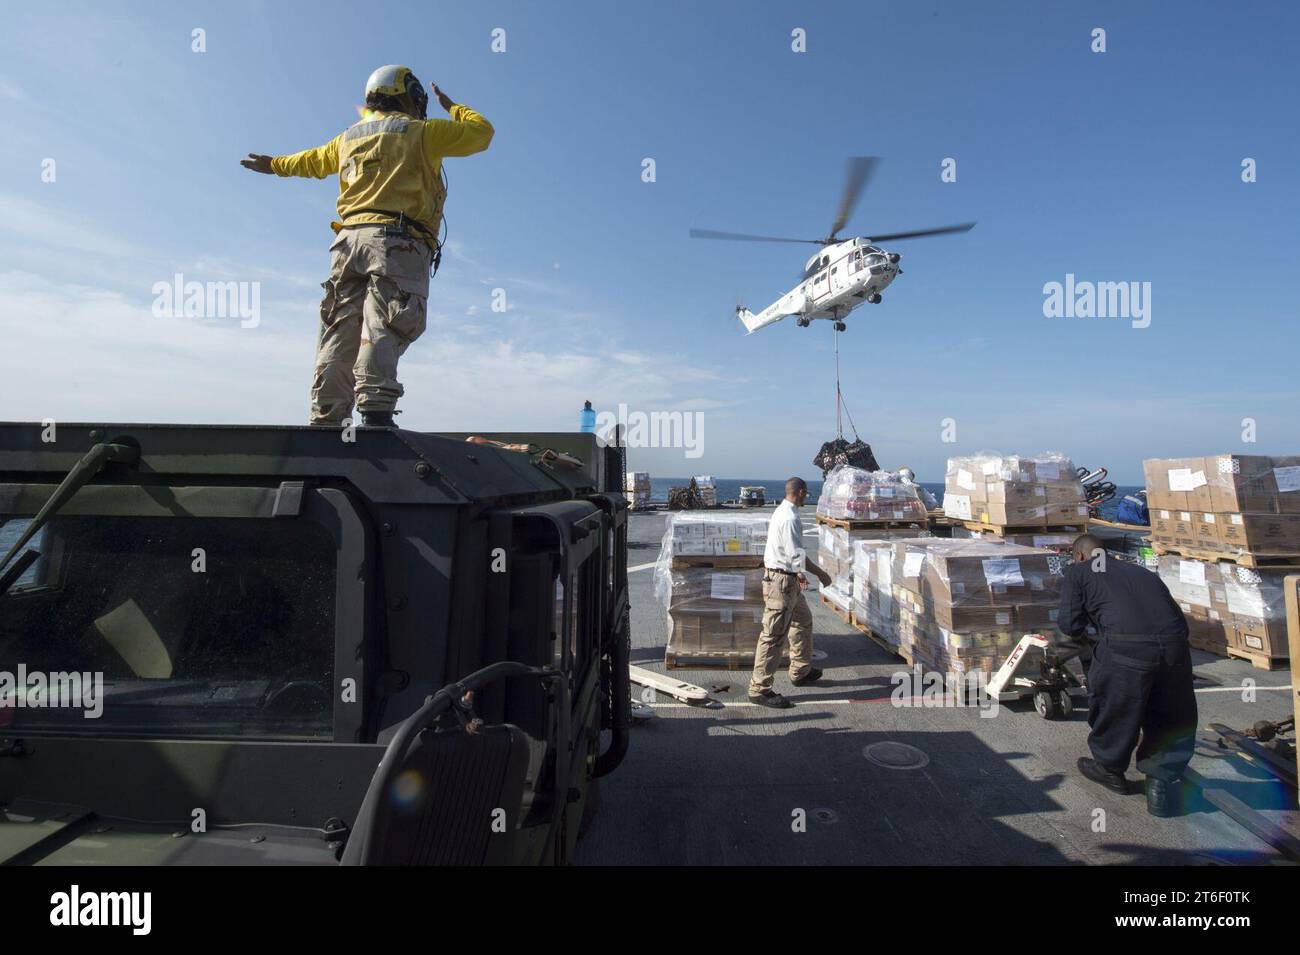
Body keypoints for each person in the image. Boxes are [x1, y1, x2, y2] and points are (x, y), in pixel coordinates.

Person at [242, 65, 494, 427]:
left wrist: (275, 165)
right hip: (395, 242)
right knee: (387, 321)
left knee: (339, 326)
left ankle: (327, 417)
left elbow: (310, 161)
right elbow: (481, 134)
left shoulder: (348, 138)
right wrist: (454, 106)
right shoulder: (422, 132)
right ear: (411, 96)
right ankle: (376, 412)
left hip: (346, 244)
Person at [1058, 533, 1197, 816]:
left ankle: (1109, 768)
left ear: (1081, 556)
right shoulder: (1140, 570)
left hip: (1127, 648)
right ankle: (1159, 782)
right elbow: (1174, 615)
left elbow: (1070, 624)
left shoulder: (1079, 572)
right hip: (1175, 647)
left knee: (1117, 705)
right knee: (1170, 714)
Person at [748, 477, 832, 708]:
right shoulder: (791, 517)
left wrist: (800, 574)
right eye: (807, 494)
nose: (808, 497)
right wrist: (821, 575)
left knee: (803, 622)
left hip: (788, 579)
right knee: (773, 635)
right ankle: (759, 688)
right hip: (781, 584)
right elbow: (798, 556)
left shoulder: (782, 511)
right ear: (801, 492)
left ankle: (800, 670)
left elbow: (789, 553)